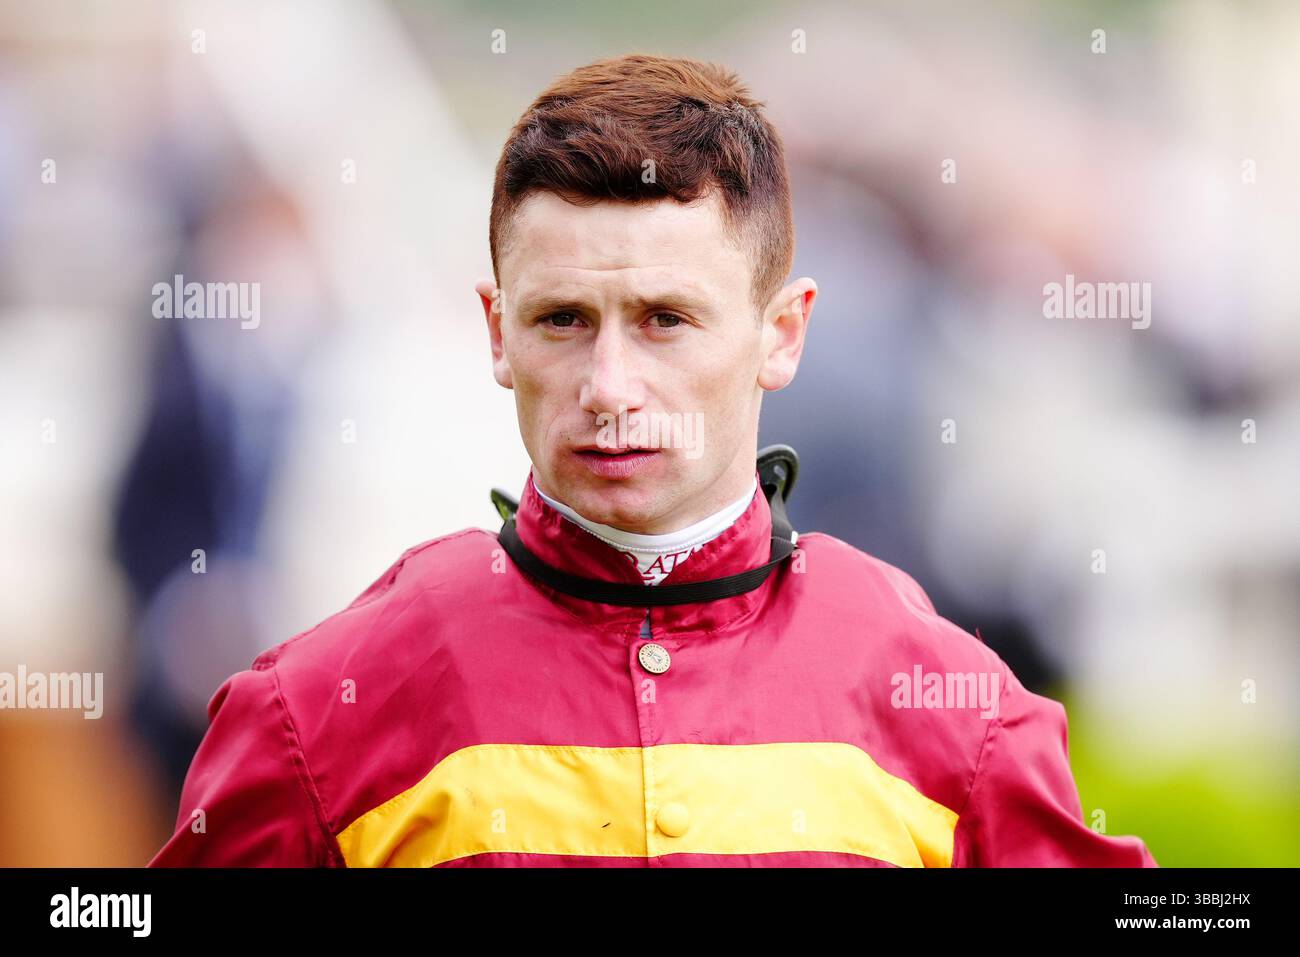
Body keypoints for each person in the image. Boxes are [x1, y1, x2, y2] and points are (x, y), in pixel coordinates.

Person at [149, 53, 1156, 867]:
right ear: (497, 333)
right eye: (563, 320)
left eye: (665, 320)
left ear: (781, 334)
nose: (609, 385)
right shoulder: (321, 704)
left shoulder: (948, 702)